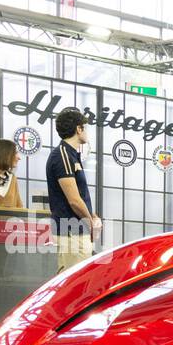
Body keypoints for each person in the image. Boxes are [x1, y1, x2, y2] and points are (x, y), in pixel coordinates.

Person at [46, 107, 100, 271]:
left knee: (80, 282)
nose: (86, 132)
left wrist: (92, 216)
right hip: (71, 229)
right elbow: (74, 200)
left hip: (78, 229)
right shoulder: (61, 155)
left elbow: (81, 196)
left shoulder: (71, 154)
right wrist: (91, 223)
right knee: (73, 285)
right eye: (85, 127)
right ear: (78, 128)